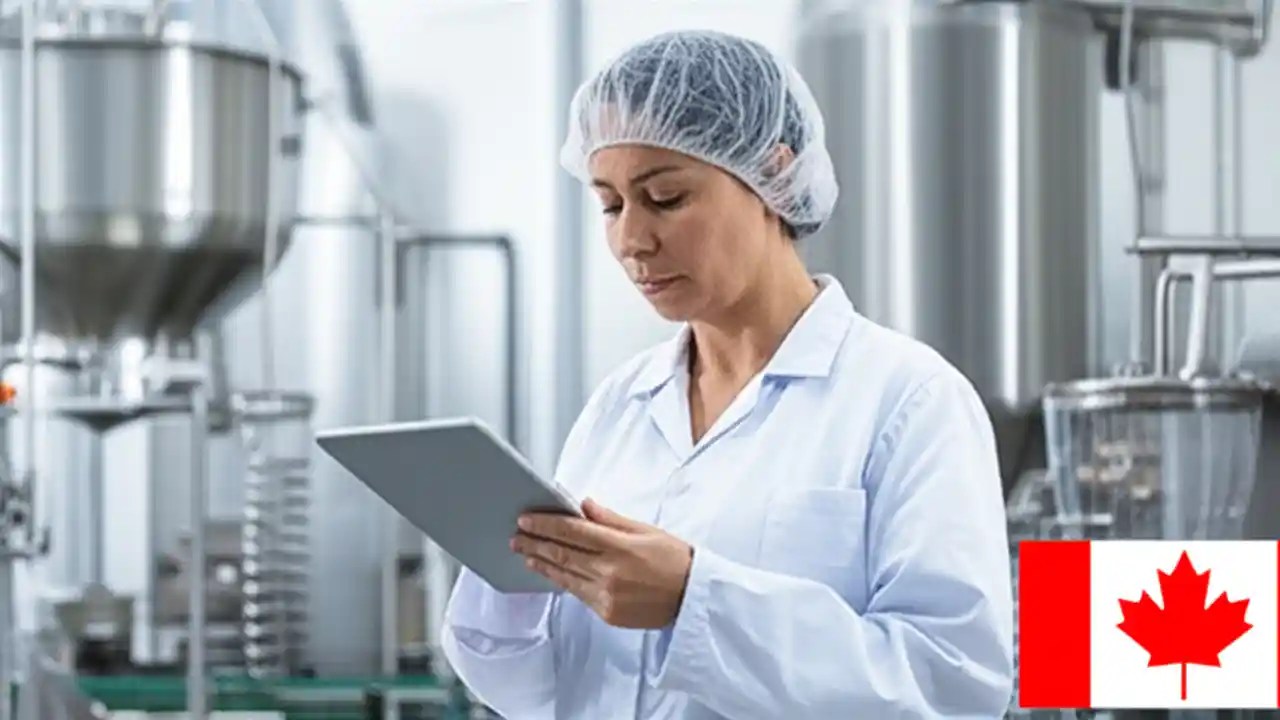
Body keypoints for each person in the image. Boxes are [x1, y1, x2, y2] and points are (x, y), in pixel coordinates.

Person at [441, 29, 1014, 719]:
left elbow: (952, 685)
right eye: (611, 204)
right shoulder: (619, 406)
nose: (631, 241)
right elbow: (558, 692)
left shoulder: (908, 401)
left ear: (770, 173)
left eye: (666, 197)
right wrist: (518, 581)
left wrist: (694, 600)